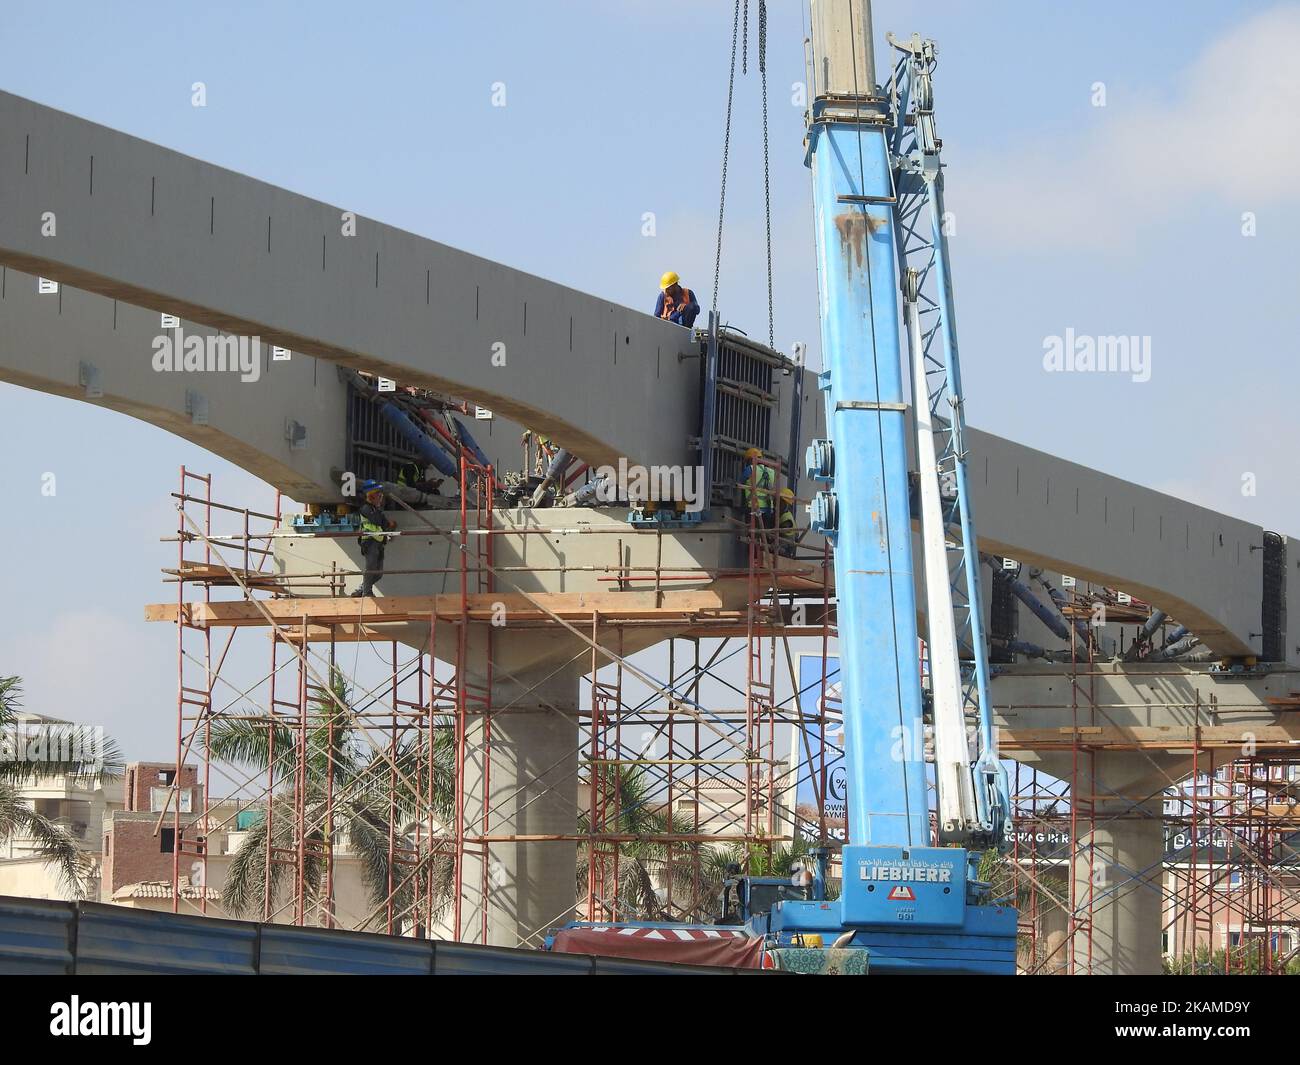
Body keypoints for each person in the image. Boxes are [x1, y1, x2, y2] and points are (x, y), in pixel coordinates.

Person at [351, 480, 396, 597]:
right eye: (378, 494)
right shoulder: (366, 508)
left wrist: (388, 523)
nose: (380, 497)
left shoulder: (376, 510)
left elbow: (385, 523)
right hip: (370, 543)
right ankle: (366, 593)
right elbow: (378, 520)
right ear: (370, 495)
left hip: (379, 542)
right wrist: (386, 522)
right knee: (370, 568)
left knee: (379, 573)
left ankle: (362, 589)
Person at [738, 447, 775, 528]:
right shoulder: (772, 471)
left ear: (750, 460)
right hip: (769, 509)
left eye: (747, 461)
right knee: (763, 534)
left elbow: (740, 482)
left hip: (754, 508)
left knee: (752, 533)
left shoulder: (750, 469)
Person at [777, 486, 801, 553]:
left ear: (785, 504)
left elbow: (777, 532)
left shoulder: (786, 519)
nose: (774, 502)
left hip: (783, 550)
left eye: (779, 501)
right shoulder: (784, 514)